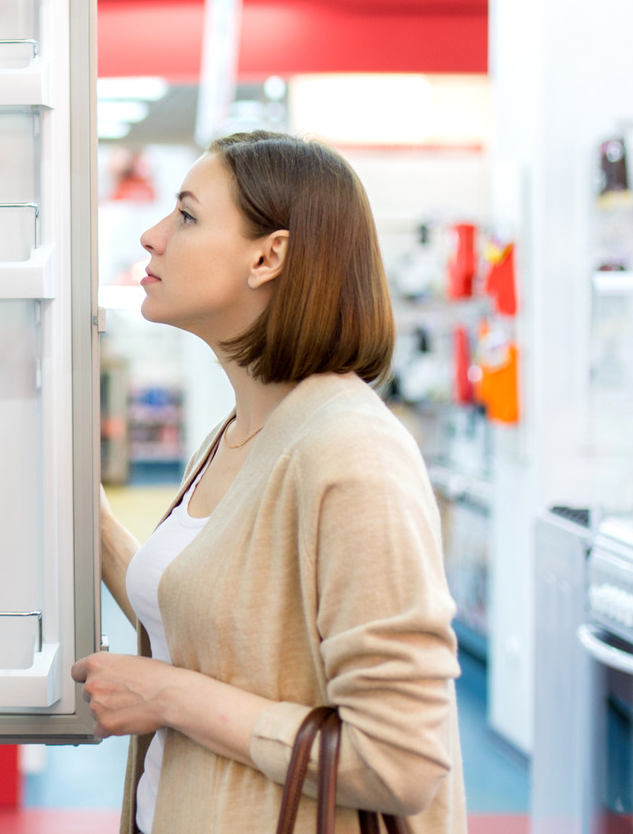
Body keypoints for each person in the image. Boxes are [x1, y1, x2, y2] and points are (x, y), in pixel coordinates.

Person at [70, 131, 465, 834]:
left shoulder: (351, 453)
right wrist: (93, 522)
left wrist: (168, 697)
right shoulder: (237, 434)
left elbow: (401, 760)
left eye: (187, 216)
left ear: (268, 256)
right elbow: (217, 631)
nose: (153, 235)